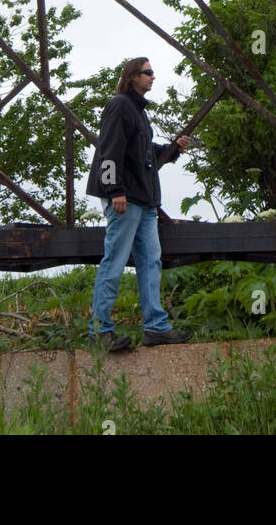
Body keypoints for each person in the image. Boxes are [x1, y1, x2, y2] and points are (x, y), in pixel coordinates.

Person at [86, 55, 192, 350]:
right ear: (133, 76)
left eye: (152, 72)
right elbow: (108, 150)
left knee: (150, 262)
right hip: (126, 199)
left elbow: (144, 154)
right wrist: (114, 190)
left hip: (145, 201)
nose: (153, 77)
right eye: (148, 72)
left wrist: (172, 149)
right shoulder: (119, 106)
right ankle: (98, 330)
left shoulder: (138, 112)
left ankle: (156, 327)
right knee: (115, 261)